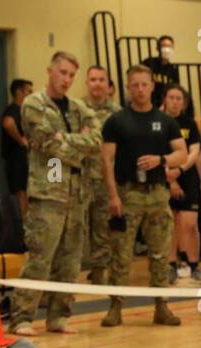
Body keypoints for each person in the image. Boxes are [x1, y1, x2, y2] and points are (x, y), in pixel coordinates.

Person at [7, 51, 100, 337]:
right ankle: (22, 317)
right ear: (50, 71)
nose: (67, 79)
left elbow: (96, 141)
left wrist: (67, 139)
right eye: (62, 73)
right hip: (49, 192)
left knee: (70, 261)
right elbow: (46, 143)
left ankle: (59, 316)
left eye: (72, 75)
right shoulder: (34, 104)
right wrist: (79, 147)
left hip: (77, 194)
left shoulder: (79, 107)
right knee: (40, 257)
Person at [99, 65, 185, 327]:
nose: (140, 89)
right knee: (121, 255)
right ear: (128, 87)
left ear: (152, 86)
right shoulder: (116, 121)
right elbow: (107, 160)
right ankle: (115, 307)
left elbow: (181, 154)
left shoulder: (166, 121)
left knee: (160, 255)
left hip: (157, 195)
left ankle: (162, 306)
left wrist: (161, 160)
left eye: (144, 84)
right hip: (128, 195)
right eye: (134, 85)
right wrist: (113, 196)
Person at [162, 84, 201, 285]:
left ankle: (194, 266)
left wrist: (183, 172)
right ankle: (171, 265)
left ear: (184, 103)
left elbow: (195, 152)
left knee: (190, 224)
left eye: (178, 98)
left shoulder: (189, 124)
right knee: (171, 224)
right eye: (171, 97)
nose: (174, 102)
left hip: (187, 177)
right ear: (165, 100)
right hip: (165, 177)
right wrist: (170, 179)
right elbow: (156, 153)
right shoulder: (159, 122)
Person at [81, 65, 120, 289]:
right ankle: (65, 281)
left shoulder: (118, 114)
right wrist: (54, 180)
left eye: (101, 80)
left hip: (107, 182)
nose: (97, 84)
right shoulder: (75, 109)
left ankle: (99, 278)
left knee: (103, 231)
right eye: (93, 79)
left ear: (108, 85)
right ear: (87, 83)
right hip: (80, 181)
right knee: (75, 231)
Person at [0, 79, 32, 222]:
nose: (31, 95)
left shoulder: (24, 110)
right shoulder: (13, 109)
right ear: (19, 92)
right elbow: (8, 123)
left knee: (25, 192)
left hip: (23, 159)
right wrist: (21, 140)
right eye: (29, 91)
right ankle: (22, 228)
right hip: (16, 159)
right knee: (21, 194)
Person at [141, 35, 179, 106]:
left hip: (165, 104)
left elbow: (175, 88)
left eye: (169, 46)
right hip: (148, 102)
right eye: (164, 46)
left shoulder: (173, 69)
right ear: (157, 48)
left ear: (173, 48)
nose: (167, 49)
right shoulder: (149, 62)